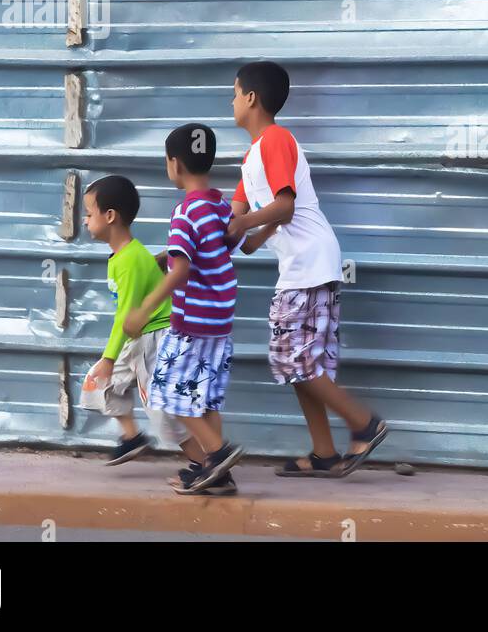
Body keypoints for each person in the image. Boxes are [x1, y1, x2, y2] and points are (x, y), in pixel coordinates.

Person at [225, 61, 388, 478]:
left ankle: (363, 424)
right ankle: (324, 453)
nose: (231, 100)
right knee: (301, 366)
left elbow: (284, 205)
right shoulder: (250, 159)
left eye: (234, 92)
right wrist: (228, 237)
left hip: (310, 263)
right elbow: (245, 222)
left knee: (291, 361)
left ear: (251, 98)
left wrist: (244, 225)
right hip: (303, 263)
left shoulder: (275, 140)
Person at [126, 123, 271, 495]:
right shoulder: (220, 206)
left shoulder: (183, 212)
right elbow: (218, 250)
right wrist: (168, 256)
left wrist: (143, 309)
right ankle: (217, 473)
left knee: (169, 392)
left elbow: (183, 270)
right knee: (204, 397)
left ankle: (219, 452)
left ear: (174, 164)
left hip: (191, 322)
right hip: (220, 320)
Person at [80, 175, 202, 475]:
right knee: (97, 383)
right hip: (134, 338)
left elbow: (127, 314)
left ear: (110, 216)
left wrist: (109, 358)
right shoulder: (122, 257)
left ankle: (205, 462)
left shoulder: (130, 259)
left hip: (152, 340)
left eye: (88, 213)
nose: (84, 221)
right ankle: (132, 436)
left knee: (162, 412)